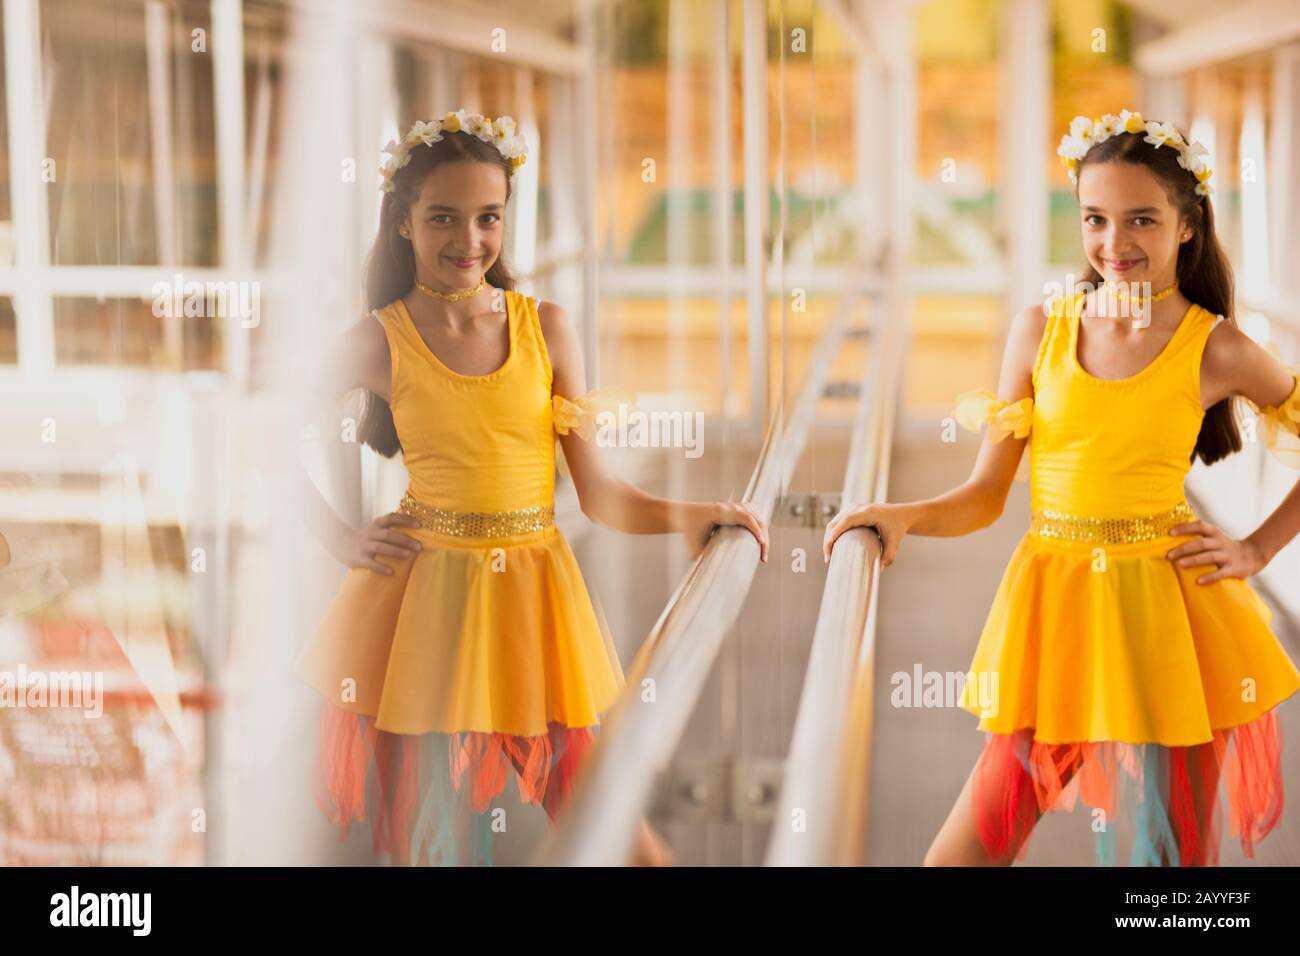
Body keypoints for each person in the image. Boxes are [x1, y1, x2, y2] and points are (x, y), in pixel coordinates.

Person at [824, 109, 1300, 866]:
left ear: (1187, 225)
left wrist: (1255, 549)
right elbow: (986, 494)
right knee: (958, 857)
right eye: (1095, 219)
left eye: (1141, 219)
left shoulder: (1215, 346)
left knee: (1167, 882)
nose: (1115, 243)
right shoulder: (1041, 327)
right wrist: (901, 515)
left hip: (1169, 623)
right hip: (1057, 620)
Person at [293, 110, 769, 866]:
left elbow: (601, 492)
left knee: (614, 829)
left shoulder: (547, 326)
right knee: (434, 849)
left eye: (488, 218)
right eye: (443, 218)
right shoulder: (378, 338)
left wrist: (694, 514)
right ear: (404, 221)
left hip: (534, 610)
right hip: (426, 616)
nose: (469, 240)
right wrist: (342, 538)